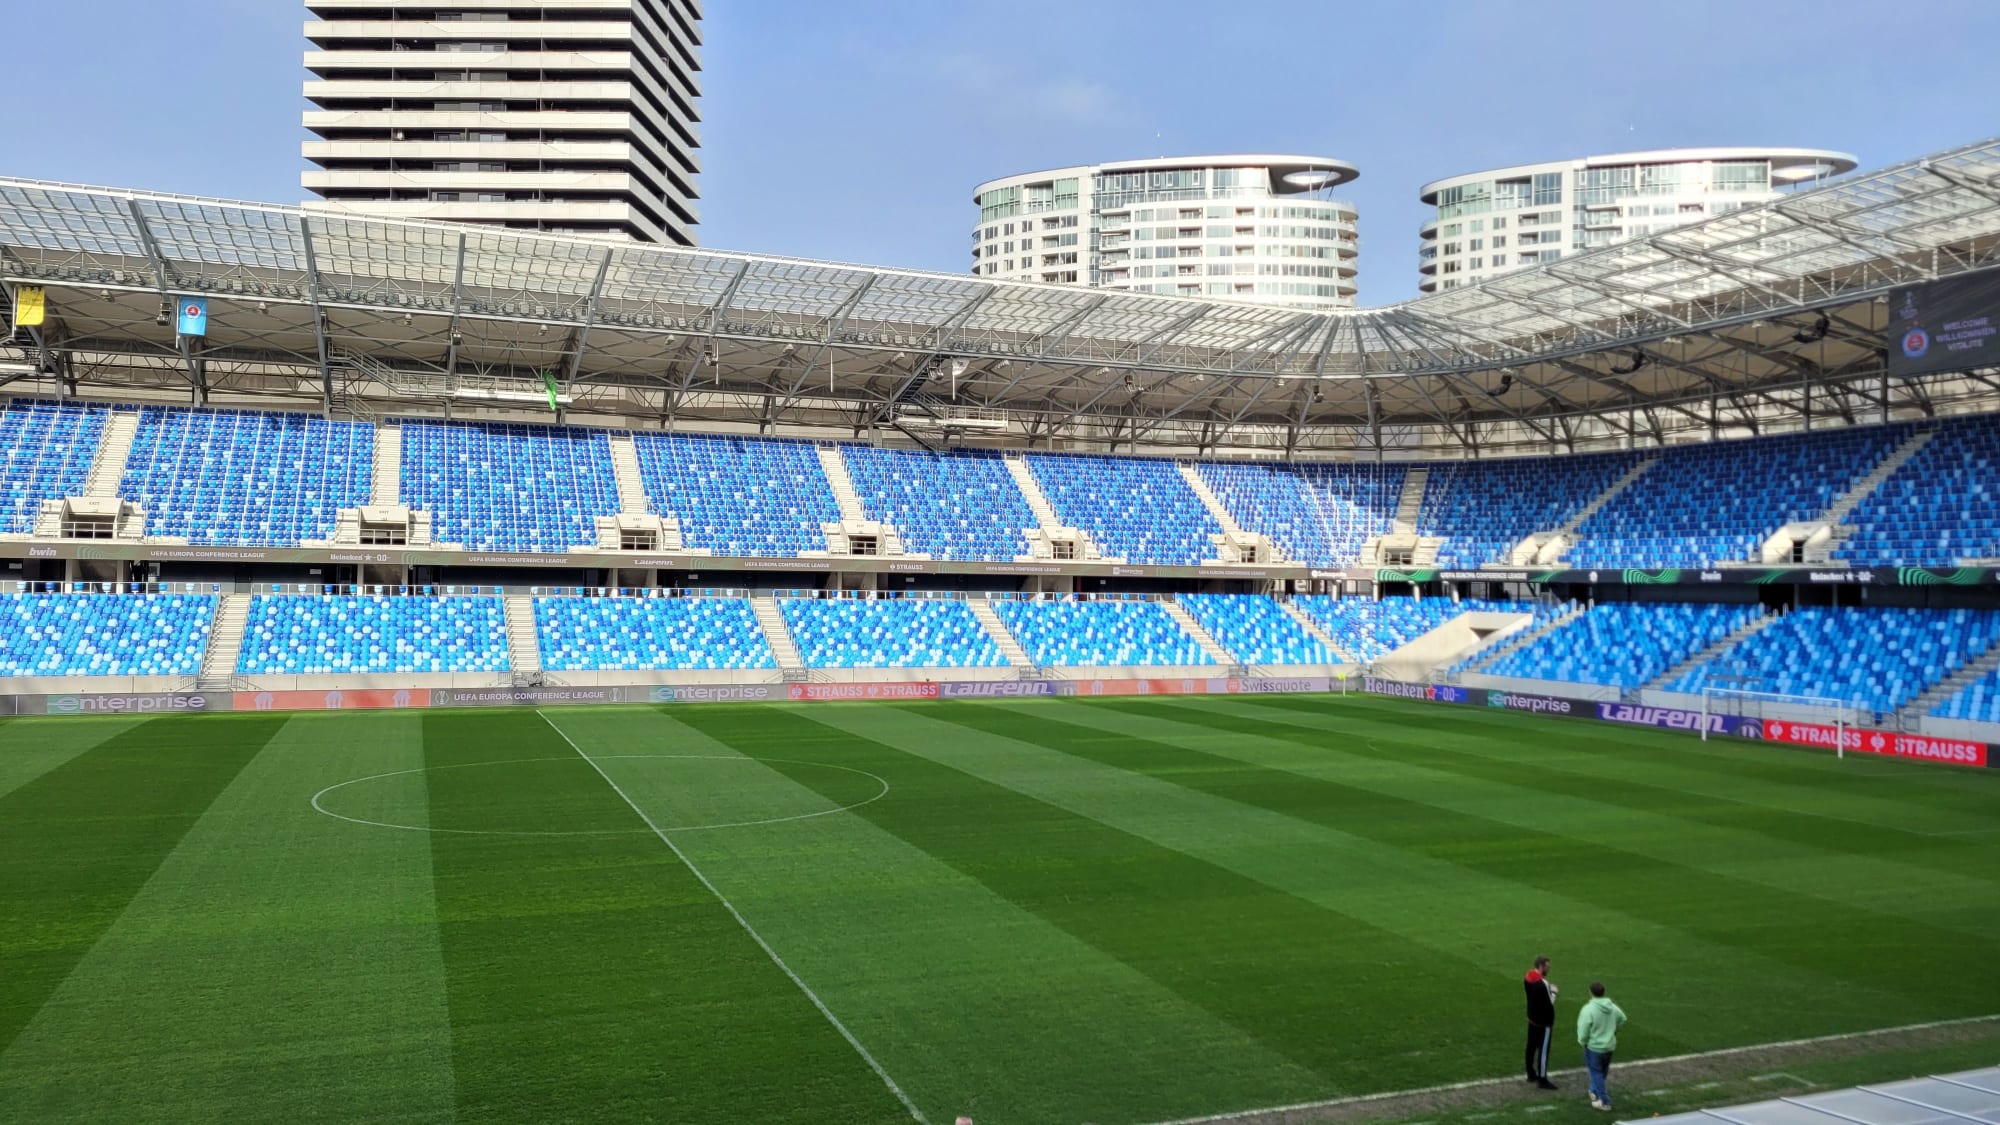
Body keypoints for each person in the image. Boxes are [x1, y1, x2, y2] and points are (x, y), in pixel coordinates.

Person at [1576, 981, 1628, 1111]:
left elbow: (1583, 1029)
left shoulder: (1588, 1009)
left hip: (1594, 1047)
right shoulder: (1612, 1007)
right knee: (1602, 1072)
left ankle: (1604, 1101)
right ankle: (1593, 1090)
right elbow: (1622, 1018)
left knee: (1596, 1073)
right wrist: (1613, 1031)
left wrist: (1582, 1041)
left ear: (1591, 992)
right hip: (1609, 1046)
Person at [1524, 956, 1559, 1089]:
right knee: (1543, 1051)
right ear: (1541, 966)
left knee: (1530, 1047)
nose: (1548, 968)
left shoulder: (1528, 977)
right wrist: (1554, 992)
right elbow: (1548, 1003)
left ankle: (1530, 1073)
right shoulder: (1542, 983)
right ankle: (1542, 1079)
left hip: (1532, 1019)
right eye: (1547, 966)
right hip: (1544, 1023)